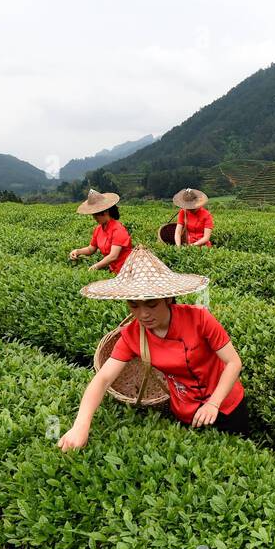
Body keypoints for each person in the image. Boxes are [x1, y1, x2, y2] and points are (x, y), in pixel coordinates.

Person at [58, 246, 248, 451]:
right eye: (134, 305)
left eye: (151, 304)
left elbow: (233, 362)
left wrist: (214, 403)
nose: (143, 314)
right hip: (186, 410)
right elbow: (103, 379)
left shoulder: (199, 319)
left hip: (227, 404)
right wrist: (81, 425)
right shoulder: (132, 335)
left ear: (167, 298)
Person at [68, 189, 132, 273]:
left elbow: (113, 256)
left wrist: (96, 266)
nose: (94, 218)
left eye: (96, 214)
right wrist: (77, 251)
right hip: (113, 271)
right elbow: (91, 249)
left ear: (105, 212)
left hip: (126, 270)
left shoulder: (118, 230)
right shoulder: (99, 229)